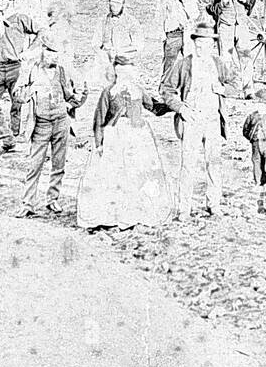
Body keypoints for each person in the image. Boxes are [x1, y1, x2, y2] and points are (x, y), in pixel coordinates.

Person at [75, 55, 174, 230]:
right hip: (115, 137)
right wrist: (99, 144)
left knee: (138, 174)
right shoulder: (108, 92)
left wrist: (173, 104)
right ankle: (112, 216)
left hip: (138, 136)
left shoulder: (138, 90)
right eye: (121, 71)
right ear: (115, 73)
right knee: (115, 175)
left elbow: (154, 108)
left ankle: (137, 213)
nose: (125, 75)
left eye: (128, 70)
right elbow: (99, 120)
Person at [161, 21, 239, 220]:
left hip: (212, 120)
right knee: (188, 165)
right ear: (193, 43)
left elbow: (235, 84)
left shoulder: (218, 64)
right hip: (192, 119)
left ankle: (214, 205)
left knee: (214, 163)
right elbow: (166, 90)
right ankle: (184, 209)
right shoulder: (185, 64)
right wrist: (181, 108)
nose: (201, 47)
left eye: (205, 43)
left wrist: (222, 90)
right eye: (197, 43)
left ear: (212, 44)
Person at [13, 30, 88, 217]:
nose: (54, 56)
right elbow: (17, 94)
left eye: (57, 53)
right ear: (42, 50)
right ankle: (27, 203)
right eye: (50, 52)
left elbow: (78, 93)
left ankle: (53, 199)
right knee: (35, 164)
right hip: (40, 125)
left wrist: (69, 105)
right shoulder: (30, 70)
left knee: (59, 163)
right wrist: (29, 93)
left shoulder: (61, 71)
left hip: (61, 123)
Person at [0, 0, 40, 153]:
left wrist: (29, 51)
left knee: (18, 105)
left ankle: (19, 141)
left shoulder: (21, 19)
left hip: (15, 68)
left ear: (11, 0)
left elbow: (42, 31)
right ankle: (7, 139)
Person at [213, 0, 257, 97]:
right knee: (226, 58)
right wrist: (221, 4)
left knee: (246, 57)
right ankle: (227, 88)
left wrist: (245, 2)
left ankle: (248, 89)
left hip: (241, 27)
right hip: (226, 27)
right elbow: (211, 8)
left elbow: (252, 0)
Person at [155, 0, 200, 81]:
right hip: (172, 34)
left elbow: (195, 15)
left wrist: (185, 2)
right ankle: (165, 92)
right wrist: (162, 33)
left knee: (187, 65)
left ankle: (185, 94)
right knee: (169, 65)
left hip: (187, 34)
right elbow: (159, 17)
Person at [91, 0, 144, 77]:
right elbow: (95, 43)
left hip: (124, 62)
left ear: (123, 5)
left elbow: (138, 45)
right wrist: (103, 54)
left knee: (126, 82)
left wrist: (121, 52)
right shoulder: (102, 21)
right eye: (112, 4)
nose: (114, 7)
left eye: (118, 4)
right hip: (105, 61)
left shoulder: (132, 22)